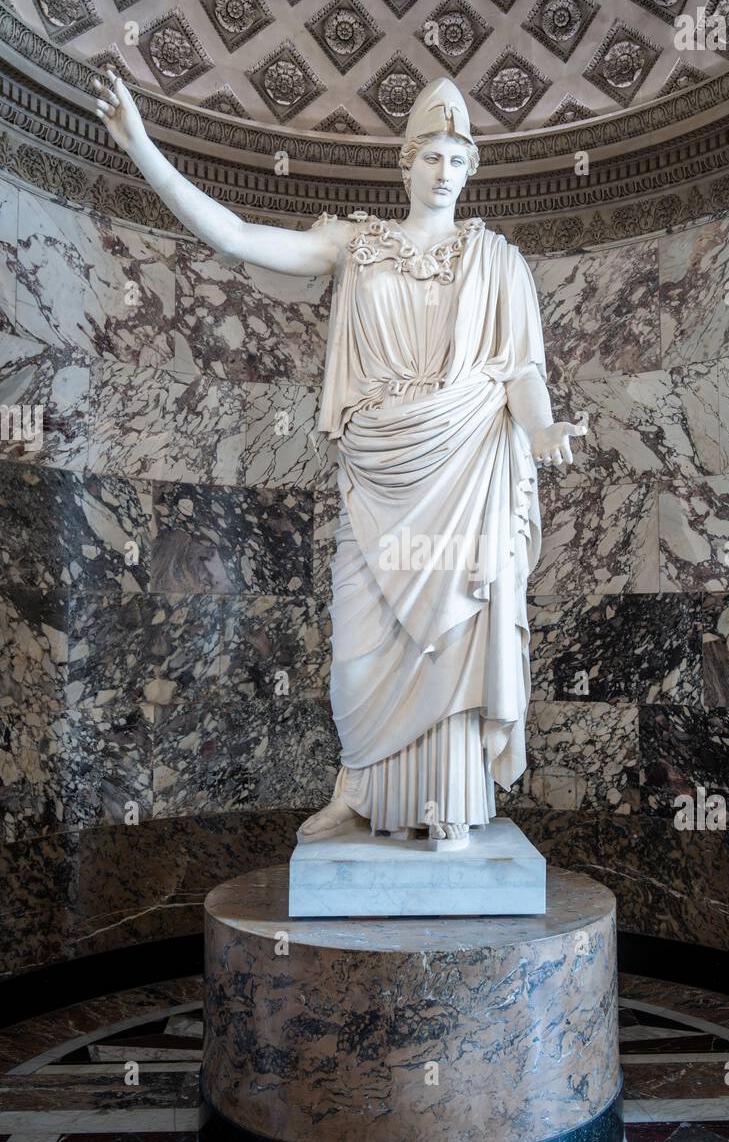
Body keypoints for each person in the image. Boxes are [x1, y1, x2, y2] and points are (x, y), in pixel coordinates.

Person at [93, 72, 579, 848]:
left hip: (463, 471)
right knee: (357, 660)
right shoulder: (358, 244)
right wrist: (143, 145)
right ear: (405, 164)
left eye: (458, 157)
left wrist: (544, 431)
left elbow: (521, 370)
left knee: (451, 636)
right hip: (378, 475)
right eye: (430, 155)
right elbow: (239, 237)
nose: (444, 171)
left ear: (470, 168)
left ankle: (446, 804)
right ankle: (360, 790)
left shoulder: (499, 262)